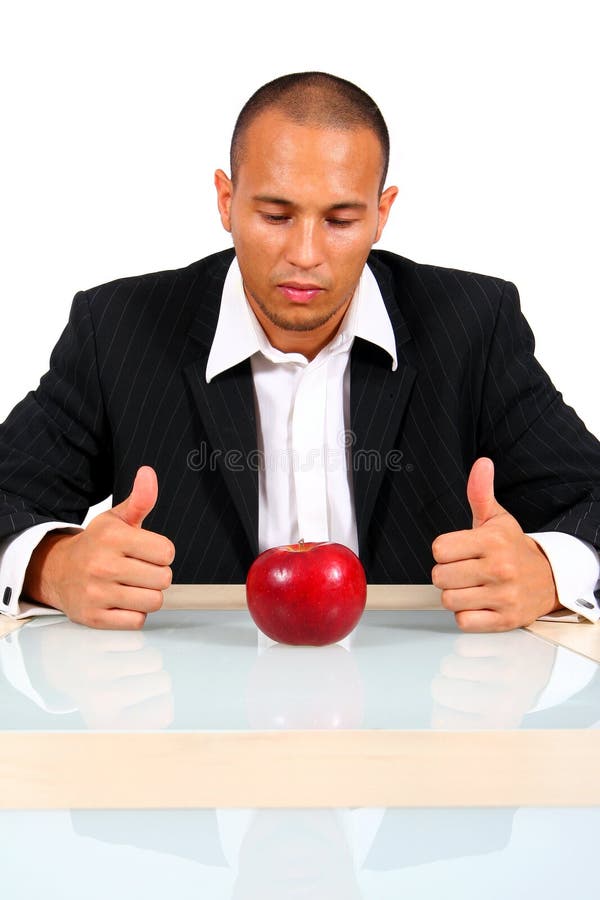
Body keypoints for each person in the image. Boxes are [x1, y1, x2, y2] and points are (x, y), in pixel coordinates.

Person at [0, 71, 599, 632]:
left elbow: (589, 498)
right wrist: (52, 566)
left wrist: (548, 573)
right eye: (275, 214)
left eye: (340, 220)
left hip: (425, 716)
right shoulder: (118, 329)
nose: (306, 253)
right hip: (190, 716)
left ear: (381, 215)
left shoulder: (473, 325)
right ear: (225, 201)